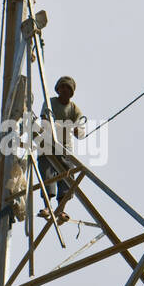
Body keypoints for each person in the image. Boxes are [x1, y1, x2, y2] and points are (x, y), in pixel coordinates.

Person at [39, 76, 86, 225]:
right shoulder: (50, 102)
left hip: (65, 148)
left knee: (66, 176)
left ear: (71, 92)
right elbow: (44, 121)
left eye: (67, 88)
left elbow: (80, 127)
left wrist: (78, 130)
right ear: (58, 89)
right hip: (47, 146)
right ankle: (47, 206)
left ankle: (61, 209)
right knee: (47, 175)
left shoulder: (73, 108)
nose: (64, 90)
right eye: (62, 87)